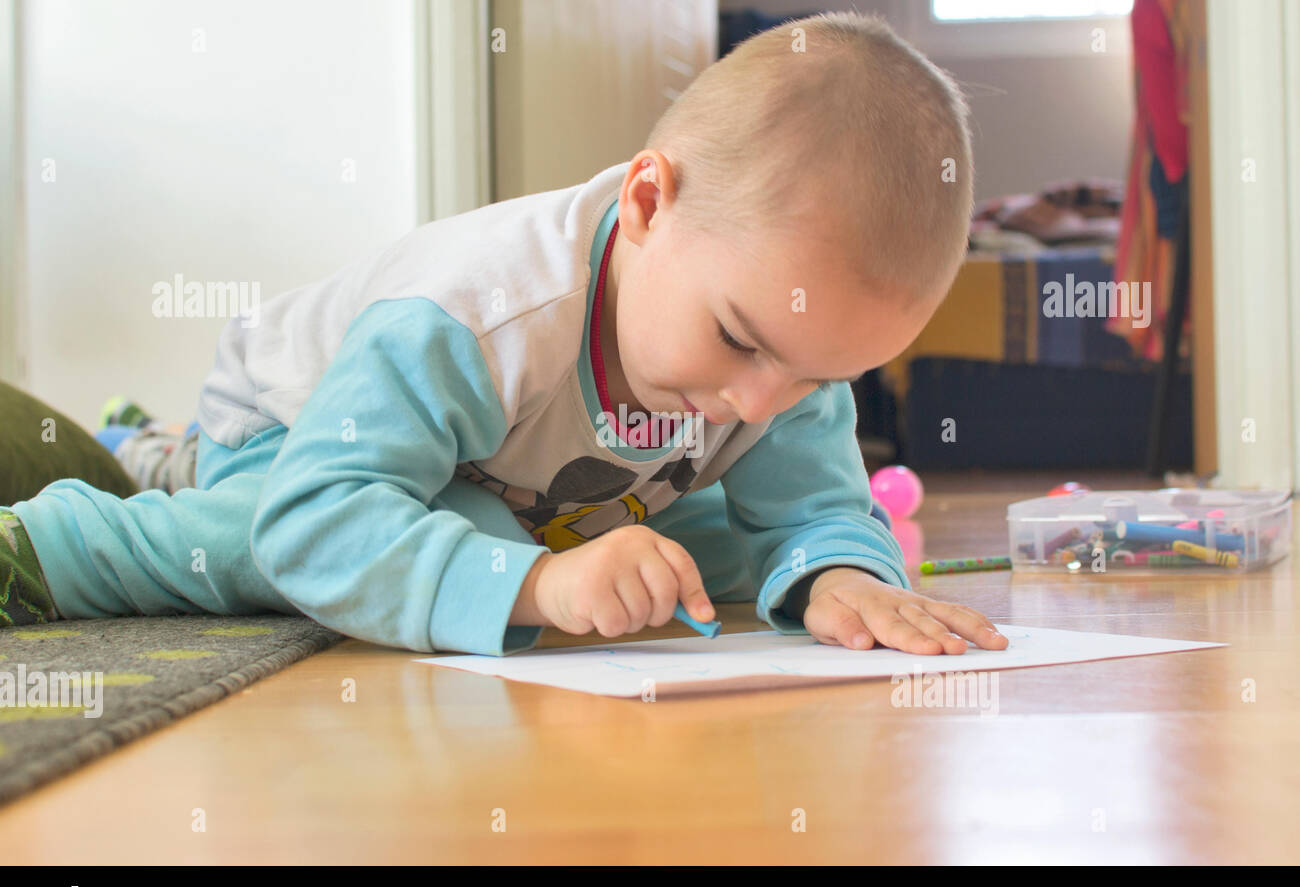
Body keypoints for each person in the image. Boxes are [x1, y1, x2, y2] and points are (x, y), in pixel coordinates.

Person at [1, 12, 1008, 657]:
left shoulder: (786, 353)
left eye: (820, 377)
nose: (760, 404)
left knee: (699, 566)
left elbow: (809, 510)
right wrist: (539, 580)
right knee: (279, 543)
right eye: (739, 340)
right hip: (294, 435)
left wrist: (837, 571)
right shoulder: (481, 314)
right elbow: (319, 514)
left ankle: (157, 447)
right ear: (649, 203)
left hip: (522, 486)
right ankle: (59, 535)